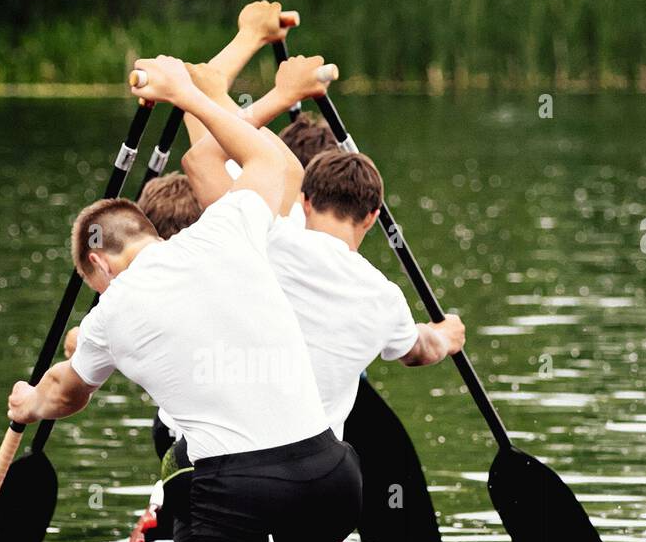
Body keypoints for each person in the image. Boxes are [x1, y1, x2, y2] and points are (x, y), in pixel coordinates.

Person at [6, 47, 361, 542]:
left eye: (94, 282)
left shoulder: (112, 310)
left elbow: (64, 394)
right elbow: (280, 166)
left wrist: (28, 403)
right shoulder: (226, 227)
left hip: (242, 493)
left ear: (98, 264)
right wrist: (189, 96)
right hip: (334, 482)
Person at [180, 61, 467, 443]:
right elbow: (419, 350)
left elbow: (202, 158)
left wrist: (208, 98)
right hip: (319, 469)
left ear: (305, 200)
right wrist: (446, 337)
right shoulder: (385, 298)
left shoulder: (261, 237)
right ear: (372, 217)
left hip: (236, 450)